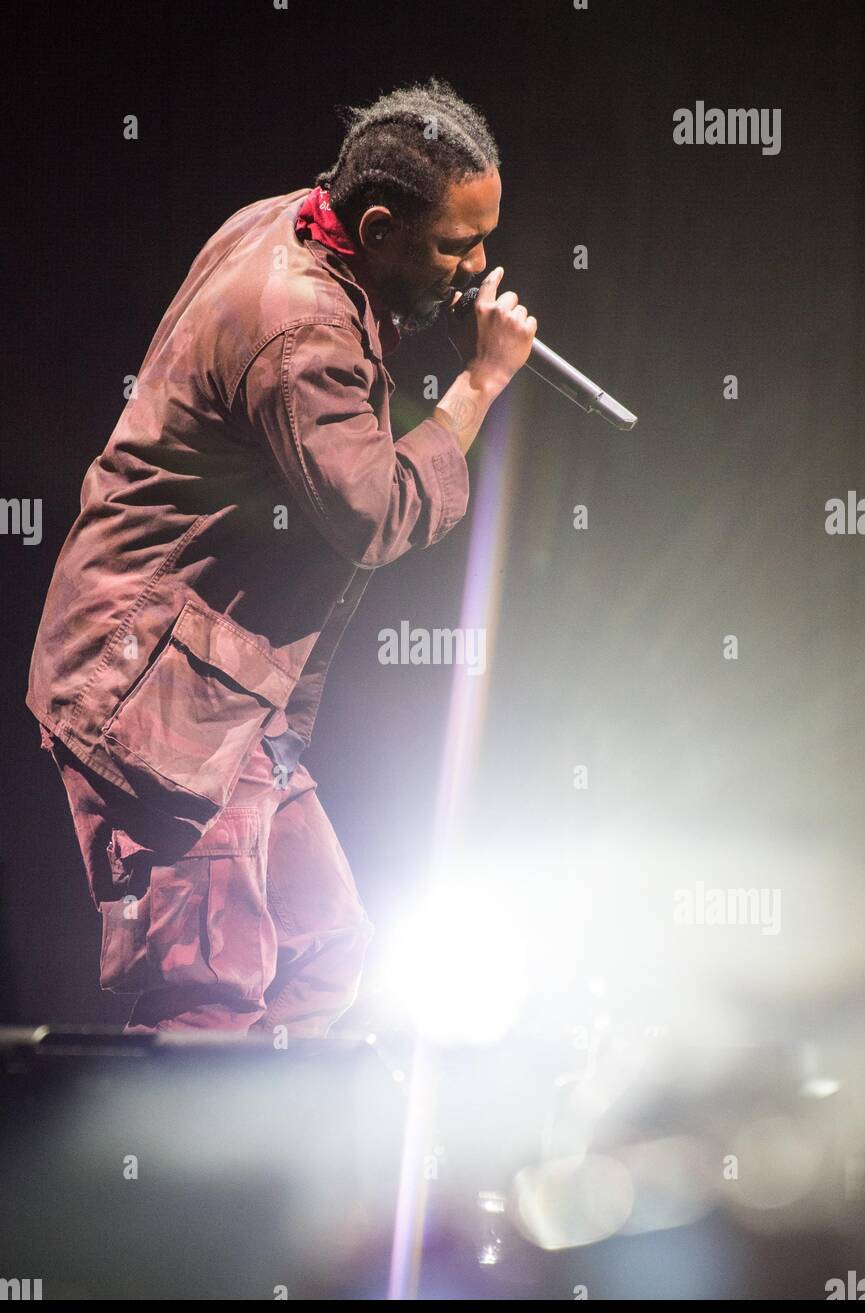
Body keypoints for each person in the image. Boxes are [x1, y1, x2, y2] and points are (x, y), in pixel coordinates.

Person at [26, 78, 537, 1036]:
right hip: (146, 694)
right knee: (208, 994)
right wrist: (479, 384)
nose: (476, 269)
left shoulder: (285, 221)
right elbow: (376, 514)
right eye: (454, 244)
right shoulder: (300, 328)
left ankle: (263, 1169)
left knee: (321, 950)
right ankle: (177, 1181)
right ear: (377, 224)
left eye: (481, 238)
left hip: (215, 678)